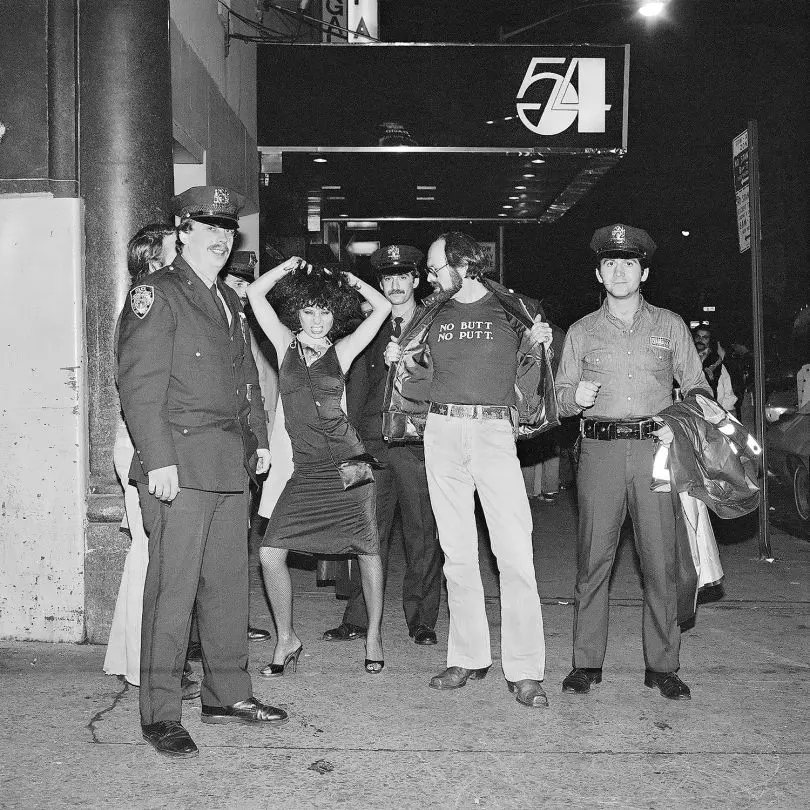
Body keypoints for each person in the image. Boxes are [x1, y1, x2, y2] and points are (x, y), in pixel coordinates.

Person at [117, 186, 288, 760]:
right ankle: (161, 713)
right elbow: (138, 387)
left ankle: (226, 694)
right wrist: (158, 458)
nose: (219, 237)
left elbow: (246, 381)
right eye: (206, 226)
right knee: (173, 591)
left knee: (227, 586)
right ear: (183, 230)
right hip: (179, 463)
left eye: (227, 228)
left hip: (227, 462)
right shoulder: (156, 294)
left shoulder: (230, 302)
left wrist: (259, 441)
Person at [382, 231, 557, 709]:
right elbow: (413, 370)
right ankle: (468, 655)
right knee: (456, 553)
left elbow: (537, 371)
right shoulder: (431, 312)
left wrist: (542, 344)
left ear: (463, 263)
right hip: (440, 432)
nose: (433, 277)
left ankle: (524, 669)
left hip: (493, 433)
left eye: (438, 267)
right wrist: (398, 360)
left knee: (515, 555)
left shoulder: (514, 308)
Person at [554, 223, 711, 701]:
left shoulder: (670, 326)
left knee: (660, 562)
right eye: (609, 264)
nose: (618, 271)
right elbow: (556, 398)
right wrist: (571, 397)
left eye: (628, 263)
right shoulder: (581, 331)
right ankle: (586, 662)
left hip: (654, 452)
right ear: (599, 275)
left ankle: (662, 666)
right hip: (599, 453)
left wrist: (679, 421)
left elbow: (700, 390)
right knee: (593, 559)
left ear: (644, 272)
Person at [246, 257, 391, 676]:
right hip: (307, 471)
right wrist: (287, 268)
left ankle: (374, 635)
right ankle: (286, 638)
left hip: (350, 466)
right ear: (296, 314)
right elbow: (256, 293)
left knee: (367, 549)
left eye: (324, 311)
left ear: (335, 313)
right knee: (271, 552)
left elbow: (380, 308)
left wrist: (349, 280)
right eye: (308, 311)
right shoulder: (282, 344)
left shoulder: (342, 351)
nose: (316, 320)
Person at [323, 244, 443, 647]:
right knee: (367, 532)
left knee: (422, 533)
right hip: (370, 442)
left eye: (402, 277)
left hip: (417, 444)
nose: (394, 285)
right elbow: (352, 388)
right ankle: (358, 615)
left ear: (416, 280)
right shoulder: (368, 327)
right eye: (387, 278)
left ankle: (422, 619)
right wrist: (347, 444)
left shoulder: (434, 324)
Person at [104, 223, 200, 699]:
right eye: (174, 251)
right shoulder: (149, 299)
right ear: (154, 261)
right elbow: (139, 389)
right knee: (155, 558)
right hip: (145, 445)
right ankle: (150, 667)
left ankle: (134, 659)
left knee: (146, 555)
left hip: (146, 443)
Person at [692, 325, 737, 412]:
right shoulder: (686, 358)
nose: (700, 340)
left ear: (710, 340)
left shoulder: (717, 361)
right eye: (698, 337)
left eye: (705, 337)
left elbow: (727, 390)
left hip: (712, 409)